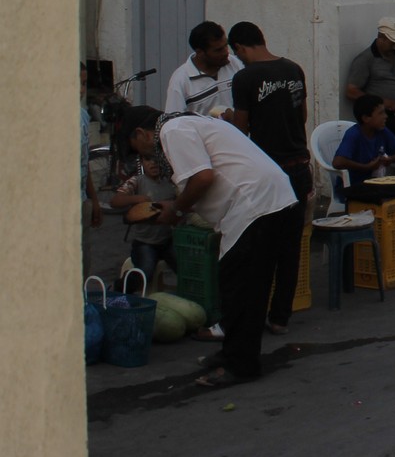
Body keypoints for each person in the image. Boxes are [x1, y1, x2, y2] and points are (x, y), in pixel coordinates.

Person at [129, 106, 298, 388]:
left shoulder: (172, 130)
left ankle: (241, 365)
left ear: (140, 133)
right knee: (239, 286)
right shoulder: (193, 122)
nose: (144, 156)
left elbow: (203, 178)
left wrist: (177, 211)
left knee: (242, 290)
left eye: (137, 148)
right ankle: (232, 354)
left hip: (254, 206)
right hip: (269, 200)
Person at [226, 21, 311, 335]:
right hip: (299, 166)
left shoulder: (245, 77)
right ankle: (280, 317)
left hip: (268, 172)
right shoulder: (293, 69)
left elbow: (241, 130)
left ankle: (253, 314)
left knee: (261, 248)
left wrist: (226, 120)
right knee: (290, 247)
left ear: (240, 48)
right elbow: (301, 116)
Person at [110, 121, 178, 288]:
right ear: (141, 162)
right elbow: (115, 201)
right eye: (148, 160)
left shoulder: (170, 181)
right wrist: (136, 199)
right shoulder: (137, 181)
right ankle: (120, 286)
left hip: (168, 240)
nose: (153, 164)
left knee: (184, 266)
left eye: (156, 159)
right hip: (145, 243)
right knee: (145, 273)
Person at [344, 16, 395, 135]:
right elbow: (351, 91)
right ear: (381, 38)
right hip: (386, 115)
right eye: (392, 43)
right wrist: (382, 102)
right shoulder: (366, 59)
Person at [165, 20, 244, 118]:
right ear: (200, 52)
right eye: (218, 50)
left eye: (226, 46)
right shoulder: (181, 80)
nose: (226, 52)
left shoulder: (235, 64)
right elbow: (173, 121)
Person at [335, 94, 395, 190]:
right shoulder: (353, 134)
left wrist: (390, 159)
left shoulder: (382, 131)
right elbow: (338, 162)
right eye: (381, 113)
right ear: (366, 118)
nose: (386, 116)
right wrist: (366, 167)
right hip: (353, 186)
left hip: (376, 183)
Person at [80, 63, 102, 277]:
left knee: (82, 264)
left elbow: (83, 162)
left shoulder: (83, 117)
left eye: (84, 84)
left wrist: (93, 200)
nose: (80, 90)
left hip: (81, 202)